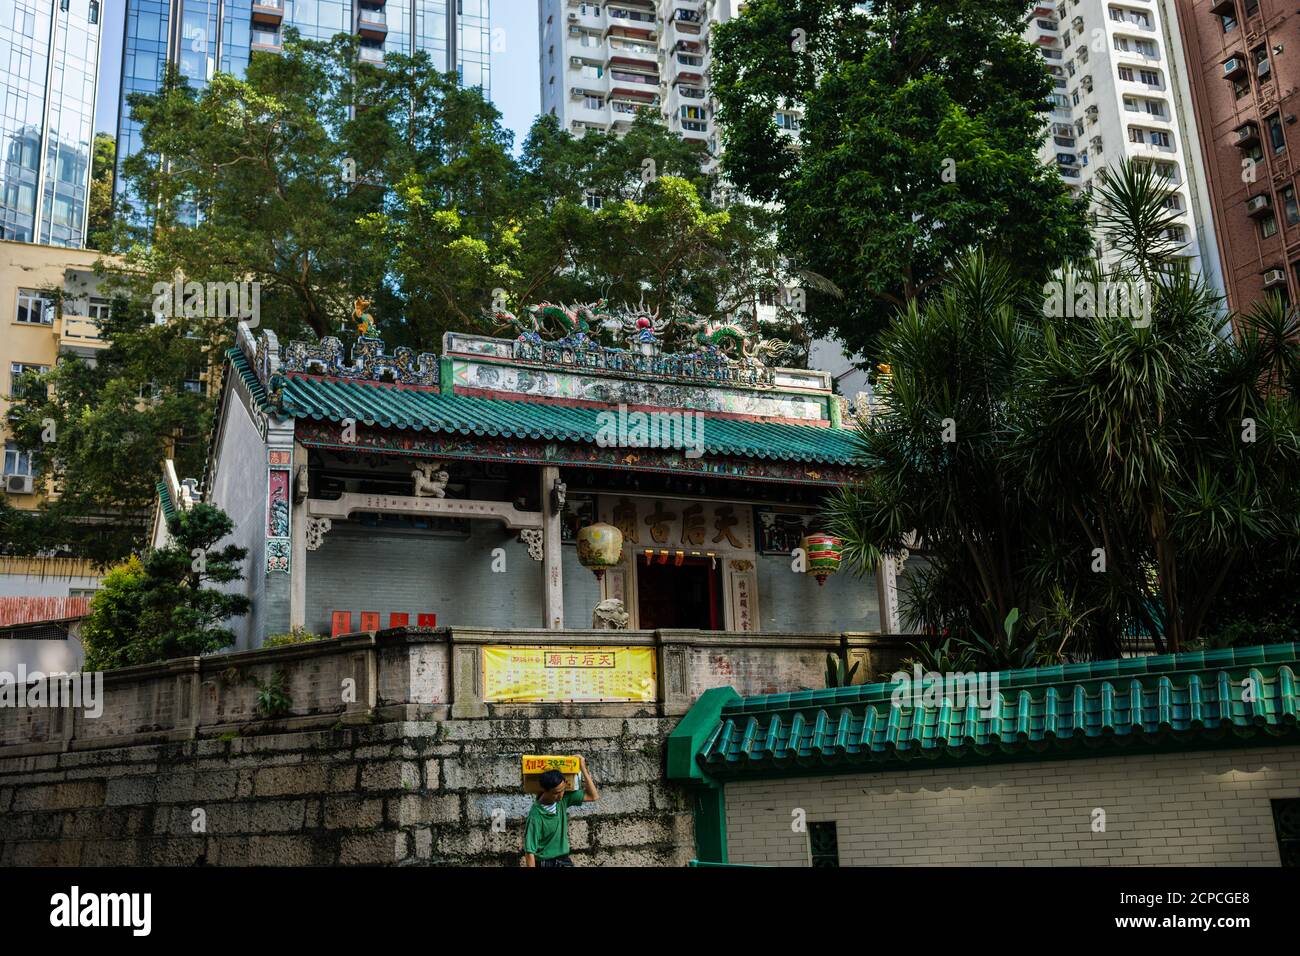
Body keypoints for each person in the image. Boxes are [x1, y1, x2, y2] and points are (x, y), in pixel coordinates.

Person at [522, 754, 599, 867]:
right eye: (556, 793)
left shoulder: (563, 800)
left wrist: (583, 768)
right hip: (545, 863)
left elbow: (593, 796)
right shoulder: (536, 815)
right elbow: (529, 853)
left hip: (563, 860)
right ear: (545, 790)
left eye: (563, 790)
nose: (561, 795)